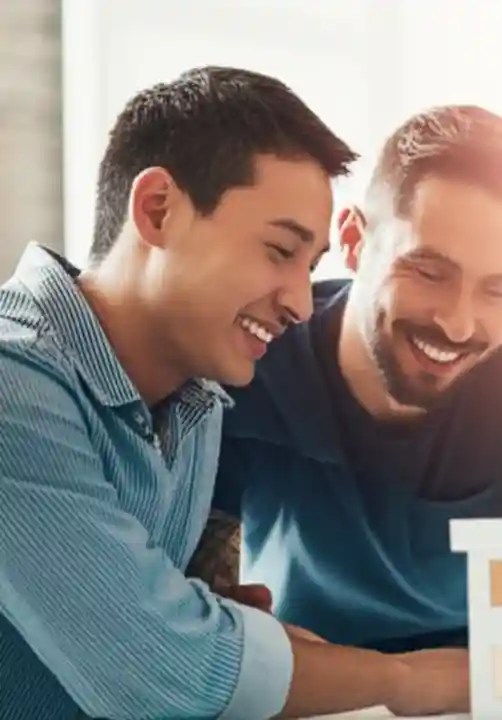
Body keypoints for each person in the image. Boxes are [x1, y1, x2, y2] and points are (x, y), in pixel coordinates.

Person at [0, 66, 472, 719]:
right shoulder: (12, 386)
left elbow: (179, 636)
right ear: (157, 209)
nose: (303, 305)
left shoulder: (198, 402)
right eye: (280, 251)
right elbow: (161, 670)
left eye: (311, 269)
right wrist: (408, 681)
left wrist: (215, 621)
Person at [191, 105, 502, 675]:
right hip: (311, 686)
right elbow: (199, 631)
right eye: (429, 272)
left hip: (490, 692)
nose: (460, 324)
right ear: (352, 241)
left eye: (499, 290)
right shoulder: (254, 357)